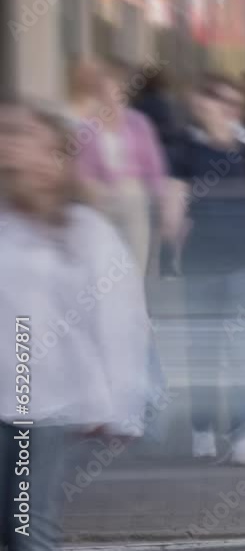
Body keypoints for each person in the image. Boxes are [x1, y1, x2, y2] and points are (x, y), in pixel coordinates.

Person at [0, 100, 149, 550]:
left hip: (36, 402)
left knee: (26, 526)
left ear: (53, 154)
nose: (8, 142)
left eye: (20, 133)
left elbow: (118, 320)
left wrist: (121, 406)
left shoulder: (83, 230)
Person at [166, 73, 245, 466]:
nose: (226, 110)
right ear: (202, 105)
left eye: (233, 104)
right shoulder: (185, 150)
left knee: (244, 351)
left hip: (242, 268)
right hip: (200, 267)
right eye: (218, 101)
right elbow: (173, 206)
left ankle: (244, 429)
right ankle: (202, 428)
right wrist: (174, 237)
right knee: (202, 351)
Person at [73, 59, 174, 279]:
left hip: (133, 197)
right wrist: (91, 191)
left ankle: (134, 308)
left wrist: (164, 204)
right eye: (104, 91)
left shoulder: (139, 123)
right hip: (100, 199)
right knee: (101, 265)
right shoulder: (87, 127)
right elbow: (81, 169)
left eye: (115, 91)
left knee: (135, 264)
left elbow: (154, 167)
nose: (110, 97)